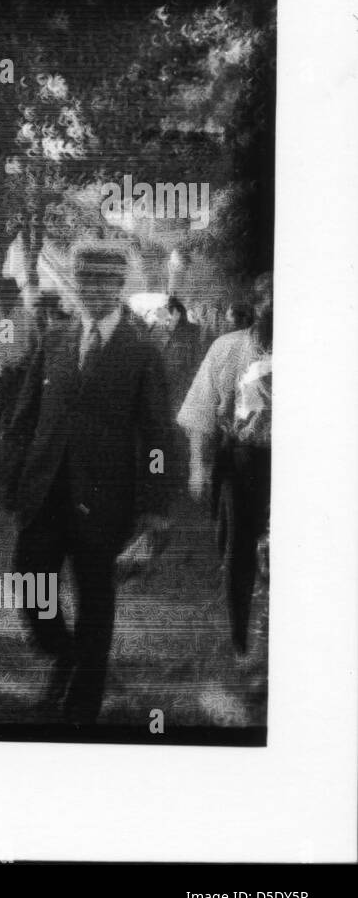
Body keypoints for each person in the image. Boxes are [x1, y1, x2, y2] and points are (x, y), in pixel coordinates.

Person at [0, 242, 175, 725]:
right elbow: (23, 416)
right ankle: (65, 653)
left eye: (104, 283)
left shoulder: (142, 354)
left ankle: (83, 704)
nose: (94, 291)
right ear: (74, 285)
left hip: (105, 502)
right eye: (86, 282)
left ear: (119, 288)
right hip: (46, 494)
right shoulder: (54, 339)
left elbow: (159, 436)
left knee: (95, 601)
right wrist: (13, 481)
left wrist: (154, 510)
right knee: (30, 580)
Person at [178, 271, 272, 656]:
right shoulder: (228, 348)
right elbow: (200, 411)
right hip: (243, 463)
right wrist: (198, 467)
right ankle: (240, 642)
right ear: (257, 306)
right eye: (269, 301)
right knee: (237, 549)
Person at [0, 276, 37, 488]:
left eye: (9, 294)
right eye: (0, 294)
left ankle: (13, 473)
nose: (4, 298)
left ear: (16, 295)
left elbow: (35, 346)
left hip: (17, 376)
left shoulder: (25, 316)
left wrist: (24, 361)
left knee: (15, 424)